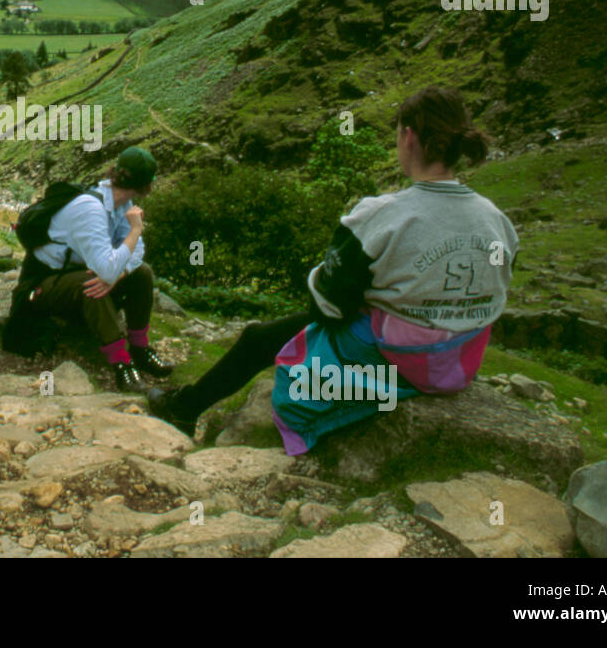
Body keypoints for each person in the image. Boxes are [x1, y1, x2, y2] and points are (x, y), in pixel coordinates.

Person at [149, 86, 519, 450]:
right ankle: (186, 404)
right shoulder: (496, 220)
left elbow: (328, 305)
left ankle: (183, 408)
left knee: (258, 339)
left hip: (400, 360)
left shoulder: (383, 214)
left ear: (408, 137)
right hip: (457, 363)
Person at [8, 146, 173, 393]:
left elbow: (136, 252)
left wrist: (119, 274)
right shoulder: (91, 209)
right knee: (91, 284)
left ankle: (140, 348)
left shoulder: (120, 204)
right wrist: (135, 231)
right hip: (43, 282)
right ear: (144, 185)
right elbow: (110, 265)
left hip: (70, 273)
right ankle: (121, 364)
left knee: (142, 273)